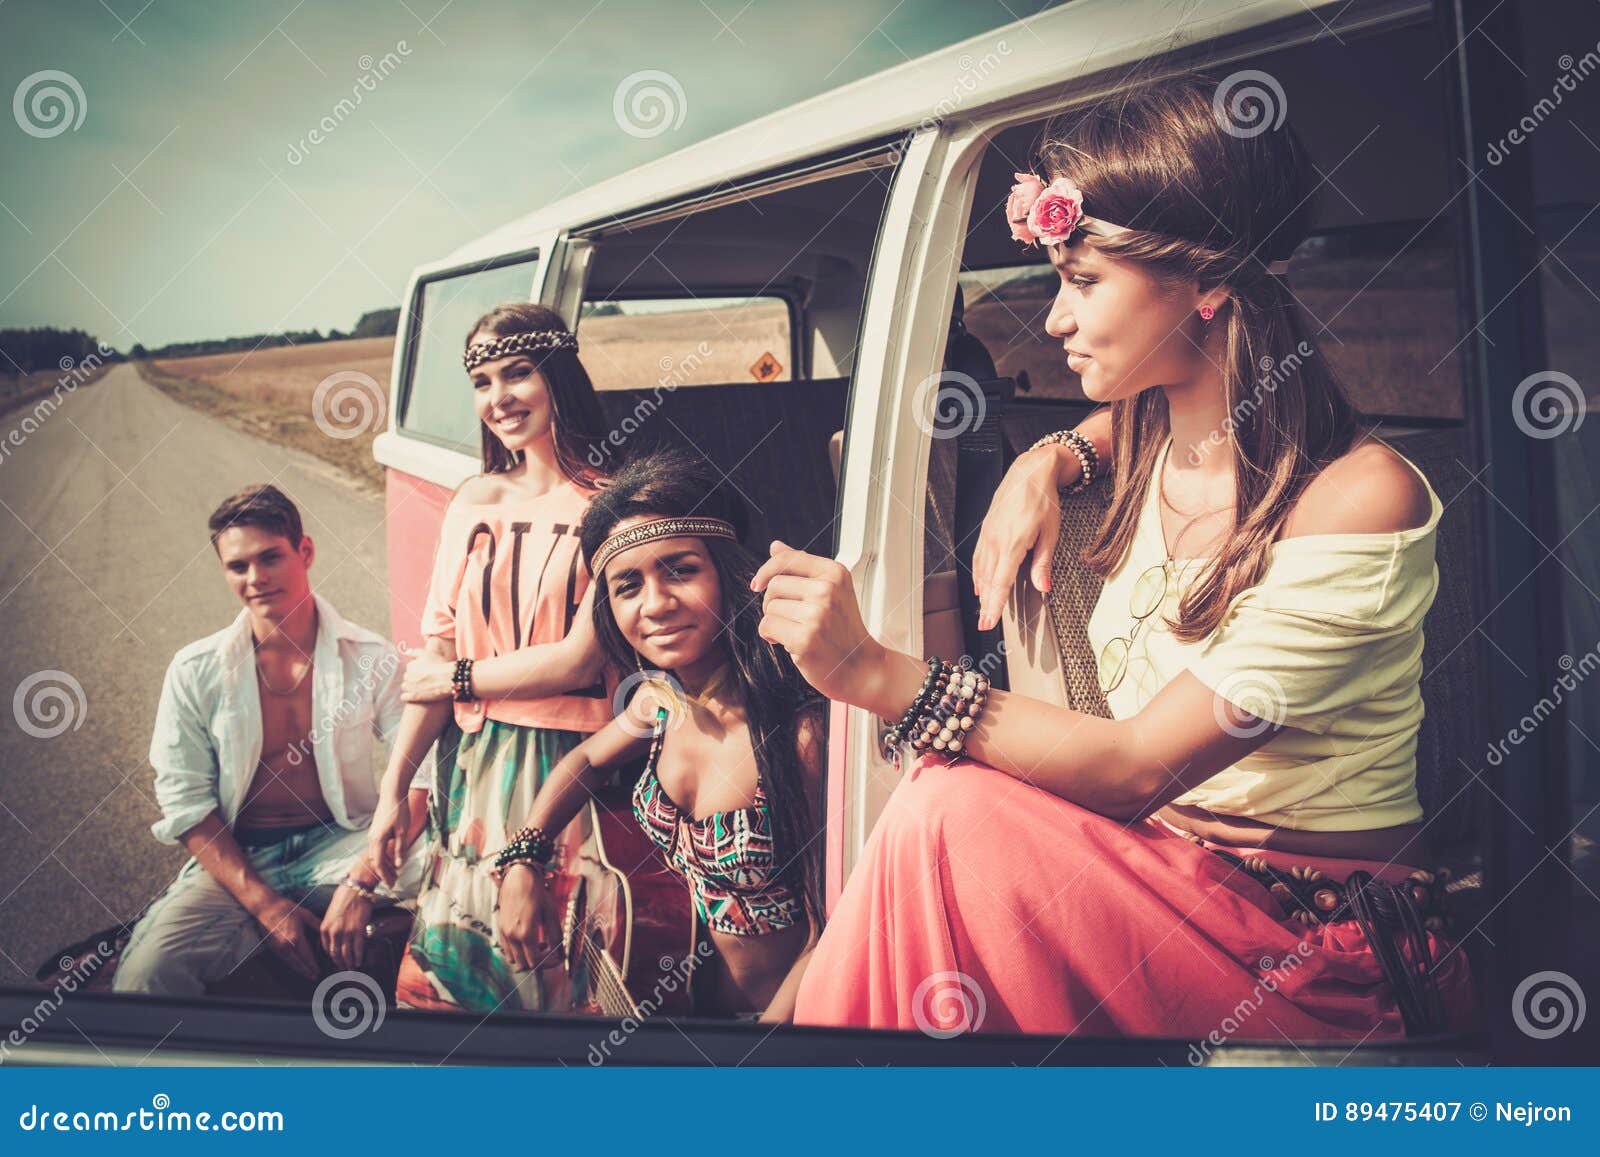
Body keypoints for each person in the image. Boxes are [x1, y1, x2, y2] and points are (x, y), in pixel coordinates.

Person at [754, 75, 1478, 1039]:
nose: (1053, 318)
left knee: (950, 815)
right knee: (941, 804)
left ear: (1211, 284)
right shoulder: (1145, 434)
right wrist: (1047, 458)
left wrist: (872, 673)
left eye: (1084, 281)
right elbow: (1123, 423)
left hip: (1308, 938)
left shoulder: (1356, 499)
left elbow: (1140, 767)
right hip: (1162, 876)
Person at [492, 447, 827, 1020]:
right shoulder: (659, 701)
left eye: (680, 570)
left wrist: (765, 1050)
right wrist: (525, 858)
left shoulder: (799, 734)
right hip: (685, 1004)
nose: (657, 604)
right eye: (628, 585)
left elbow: (836, 919)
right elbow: (586, 762)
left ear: (726, 572)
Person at [368, 303, 617, 1014]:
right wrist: (394, 790)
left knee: (550, 975)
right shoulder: (474, 498)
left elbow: (577, 659)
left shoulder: (612, 502)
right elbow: (437, 651)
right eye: (482, 380)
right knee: (453, 977)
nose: (498, 397)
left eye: (517, 373)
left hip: (566, 769)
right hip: (471, 769)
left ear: (558, 377)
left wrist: (459, 677)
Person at [115, 484, 430, 995]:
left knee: (458, 869)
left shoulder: (369, 656)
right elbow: (185, 801)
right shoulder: (196, 670)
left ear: (304, 552)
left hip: (345, 841)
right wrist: (264, 904)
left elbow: (425, 774)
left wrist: (362, 879)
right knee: (144, 979)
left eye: (270, 558)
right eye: (238, 567)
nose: (255, 578)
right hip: (240, 857)